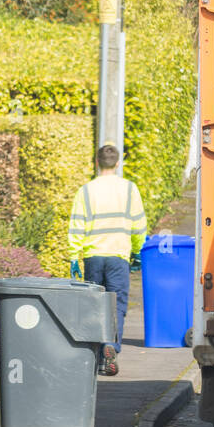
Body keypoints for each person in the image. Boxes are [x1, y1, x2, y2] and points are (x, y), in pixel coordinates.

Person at [68, 144, 147, 376]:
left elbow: (77, 225)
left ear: (96, 162)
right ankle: (111, 346)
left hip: (93, 256)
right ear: (118, 163)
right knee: (117, 305)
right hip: (118, 256)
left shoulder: (86, 191)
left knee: (94, 305)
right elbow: (138, 226)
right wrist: (137, 251)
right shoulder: (129, 189)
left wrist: (74, 256)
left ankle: (96, 353)